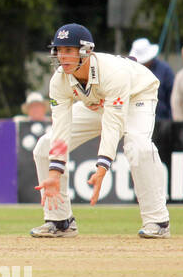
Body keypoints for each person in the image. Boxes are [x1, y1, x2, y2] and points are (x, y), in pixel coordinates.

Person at [30, 23, 170, 240]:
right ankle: (60, 221)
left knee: (137, 147)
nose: (62, 56)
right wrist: (54, 172)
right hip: (97, 102)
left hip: (137, 96)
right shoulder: (59, 80)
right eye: (59, 50)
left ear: (85, 51)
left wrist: (102, 166)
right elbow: (61, 127)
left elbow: (113, 124)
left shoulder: (113, 73)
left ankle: (157, 221)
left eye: (68, 50)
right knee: (44, 146)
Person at [128, 38, 174, 120]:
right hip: (136, 119)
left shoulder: (165, 71)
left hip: (160, 119)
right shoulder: (131, 71)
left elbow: (172, 97)